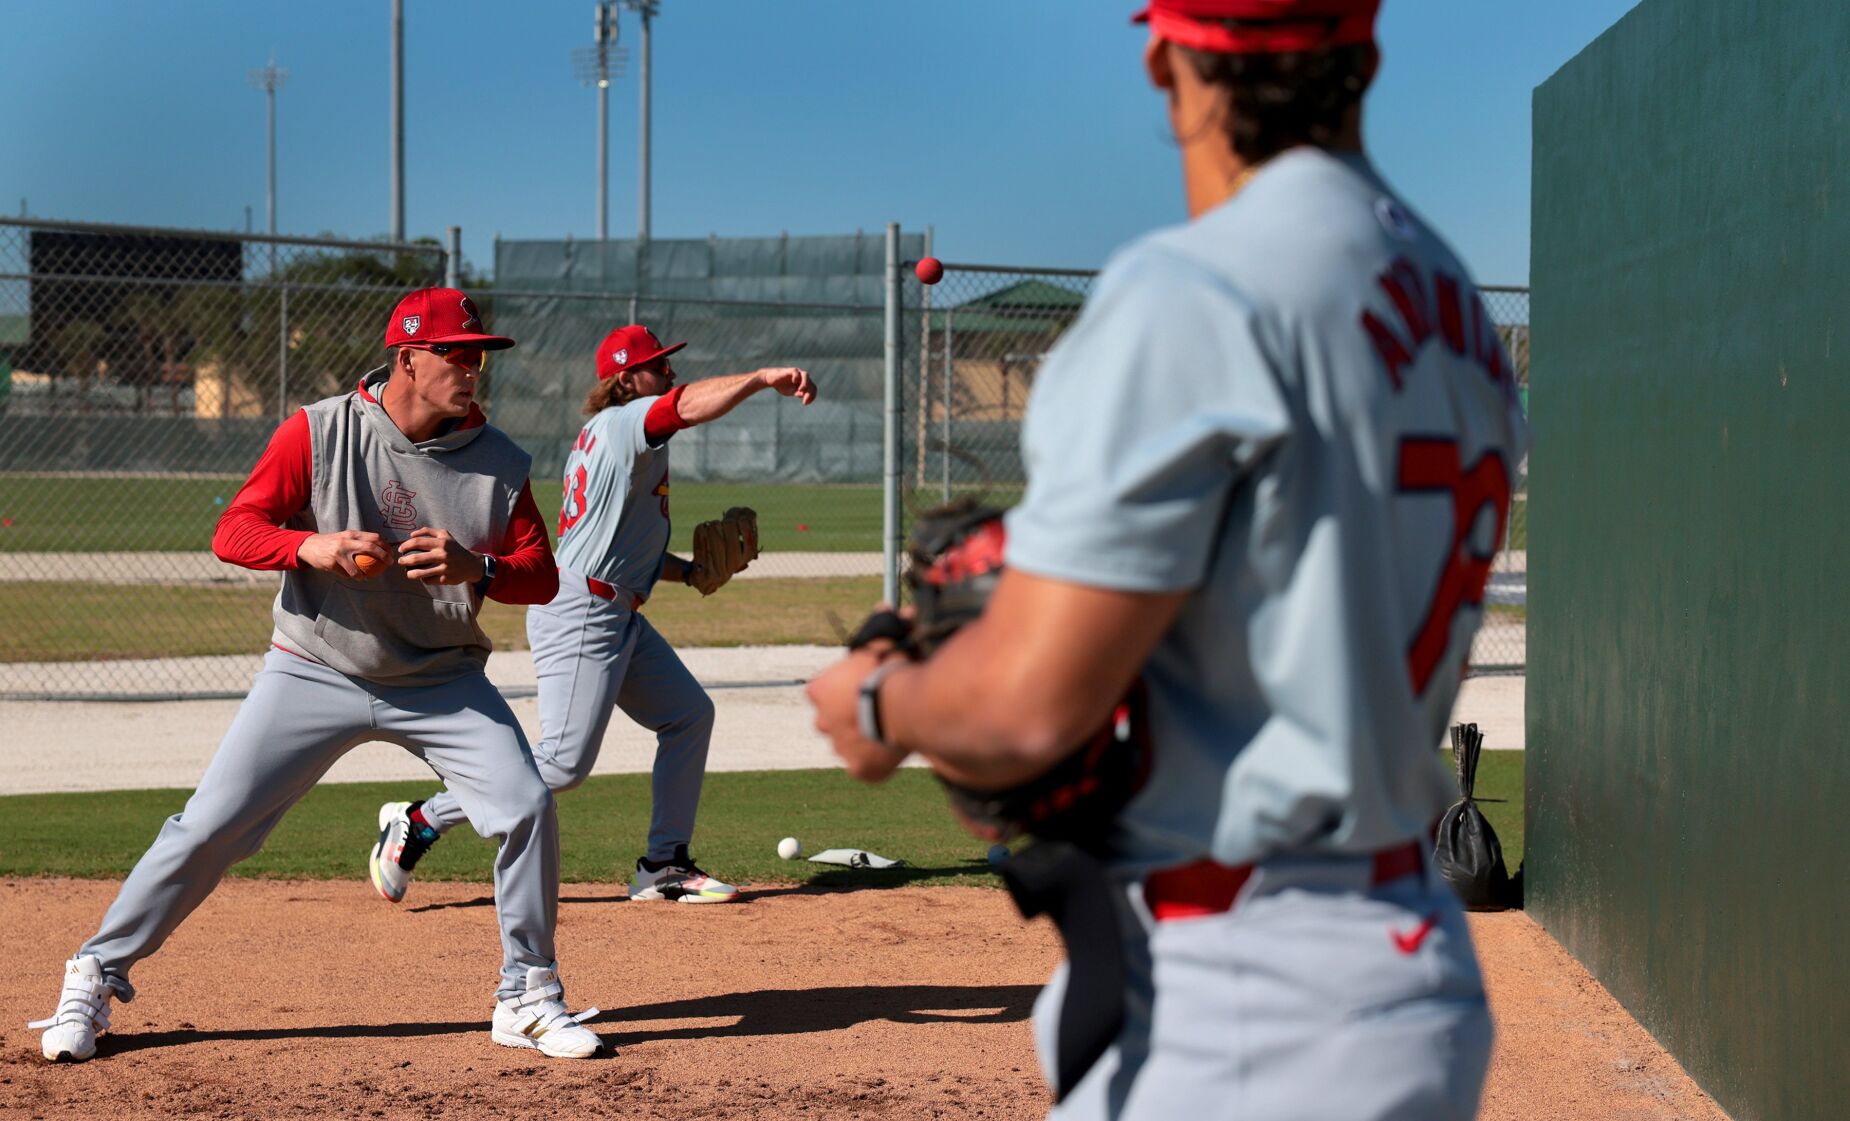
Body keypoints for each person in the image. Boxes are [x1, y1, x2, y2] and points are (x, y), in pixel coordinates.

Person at [807, 2, 1529, 1117]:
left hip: (1248, 993)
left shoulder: (1198, 292)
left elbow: (1021, 711)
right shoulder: (1454, 305)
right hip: (1403, 942)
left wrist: (879, 698)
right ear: (1365, 52)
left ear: (1164, 57)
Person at [30, 287, 604, 1063]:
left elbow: (542, 574)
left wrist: (481, 566)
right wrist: (310, 546)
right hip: (315, 665)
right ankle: (94, 973)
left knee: (527, 803)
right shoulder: (321, 430)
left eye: (479, 356)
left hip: (439, 678)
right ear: (408, 358)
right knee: (210, 825)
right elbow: (235, 528)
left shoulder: (497, 460)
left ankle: (527, 995)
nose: (473, 369)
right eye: (456, 354)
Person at [369, 324, 816, 906]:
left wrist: (688, 573)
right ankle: (420, 819)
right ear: (627, 380)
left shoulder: (614, 438)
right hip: (582, 610)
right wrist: (760, 378)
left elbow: (616, 545)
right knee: (561, 765)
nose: (670, 374)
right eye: (659, 367)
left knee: (688, 716)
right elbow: (682, 407)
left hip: (612, 605)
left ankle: (664, 866)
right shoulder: (628, 422)